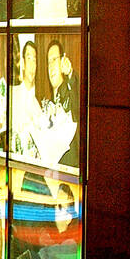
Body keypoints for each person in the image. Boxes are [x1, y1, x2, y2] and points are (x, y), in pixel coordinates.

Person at [41, 38, 79, 167]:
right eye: (48, 62)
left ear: (62, 61)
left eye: (54, 60)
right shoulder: (48, 103)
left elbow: (78, 109)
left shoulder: (71, 91)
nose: (51, 66)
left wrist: (70, 74)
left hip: (71, 171)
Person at [10, 39, 43, 159]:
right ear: (23, 63)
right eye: (29, 59)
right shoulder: (12, 95)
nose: (32, 65)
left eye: (35, 60)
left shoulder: (38, 107)